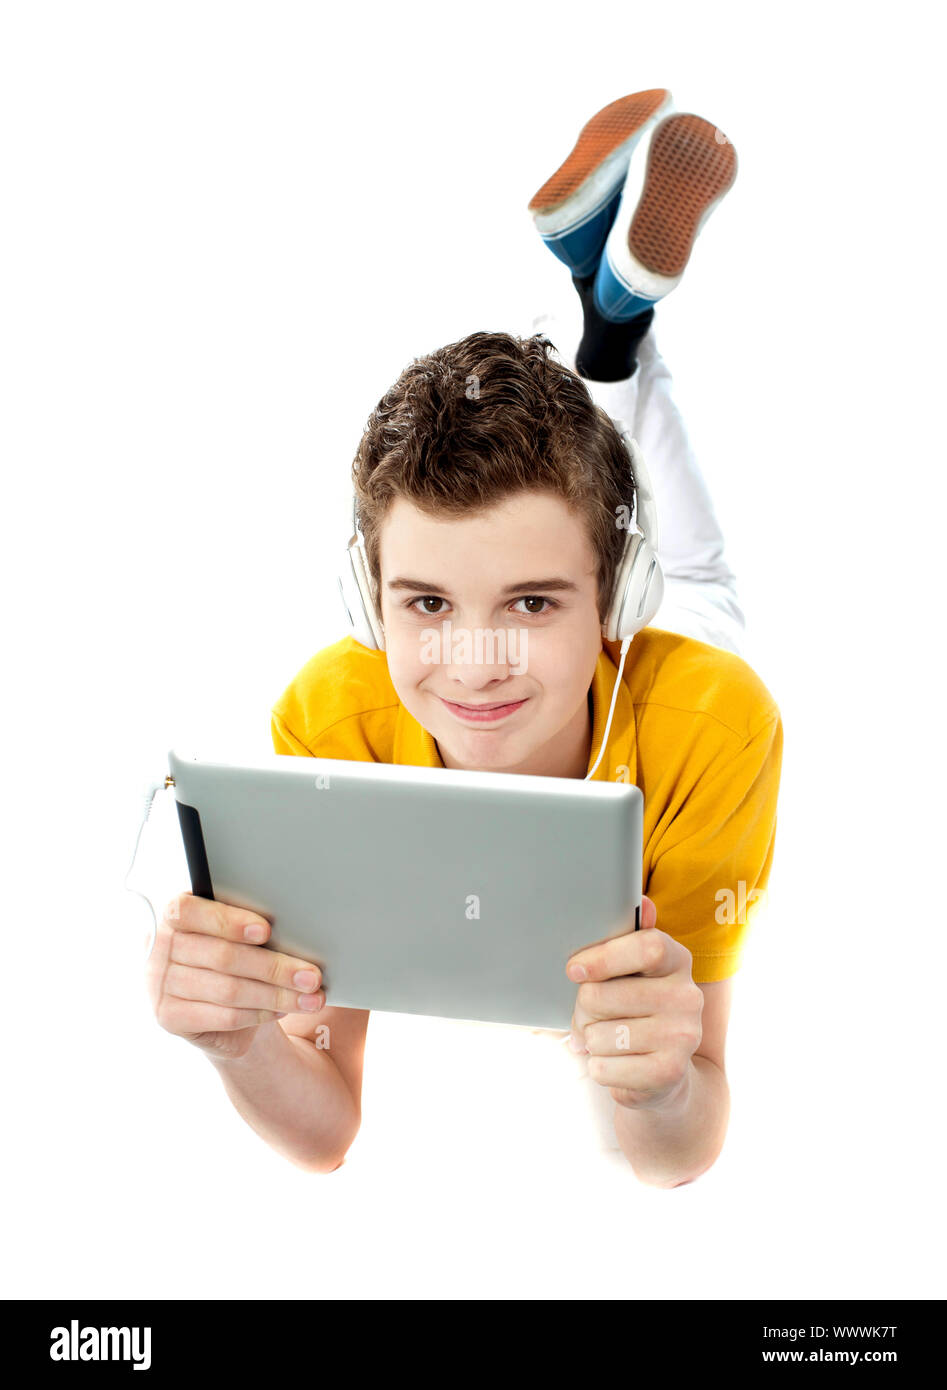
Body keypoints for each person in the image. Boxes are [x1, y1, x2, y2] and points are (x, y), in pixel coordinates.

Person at [147, 90, 783, 1188]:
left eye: (533, 603)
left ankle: (613, 327)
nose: (474, 664)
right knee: (594, 471)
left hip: (673, 652)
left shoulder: (711, 720)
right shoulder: (330, 715)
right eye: (427, 604)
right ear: (368, 599)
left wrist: (663, 1081)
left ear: (610, 601)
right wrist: (237, 1038)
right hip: (605, 606)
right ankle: (613, 318)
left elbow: (677, 1154)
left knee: (695, 565)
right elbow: (325, 1131)